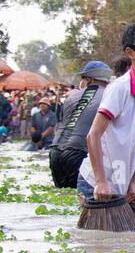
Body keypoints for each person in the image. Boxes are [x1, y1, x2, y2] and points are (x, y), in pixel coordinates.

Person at [79, 21, 135, 221]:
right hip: (96, 179)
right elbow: (93, 135)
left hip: (125, 180)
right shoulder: (119, 89)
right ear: (131, 53)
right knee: (103, 241)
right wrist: (101, 182)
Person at [49, 59, 118, 189]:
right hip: (79, 153)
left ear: (88, 79)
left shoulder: (71, 97)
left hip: (55, 151)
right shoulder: (109, 96)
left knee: (61, 200)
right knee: (81, 200)